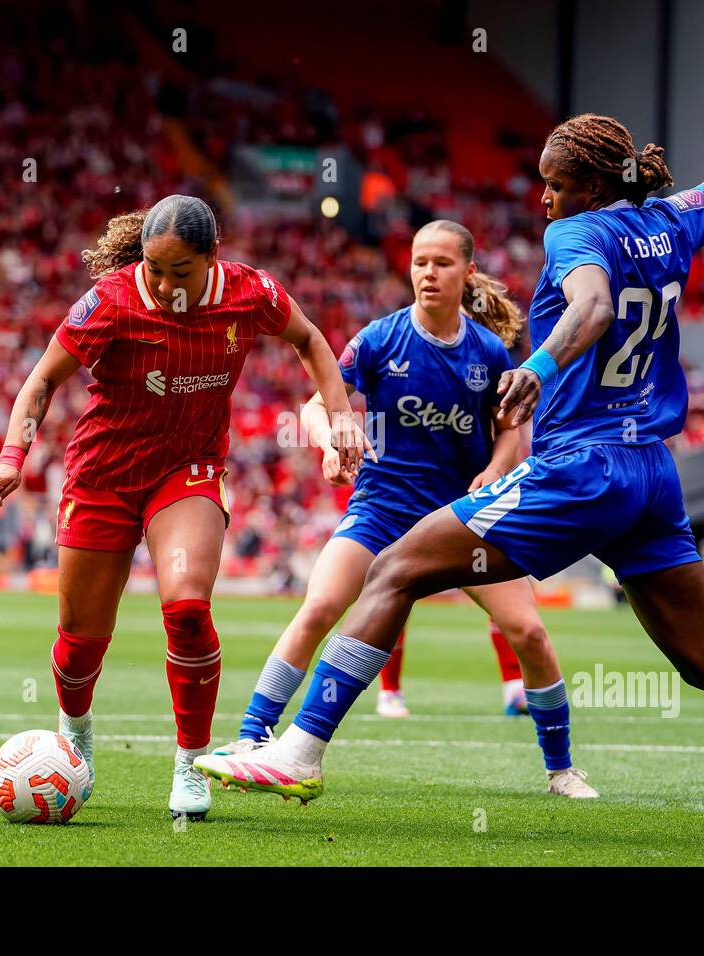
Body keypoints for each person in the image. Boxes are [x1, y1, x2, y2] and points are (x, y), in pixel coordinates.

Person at [196, 97, 704, 849]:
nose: (543, 196)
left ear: (588, 185)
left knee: (393, 569)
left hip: (584, 467)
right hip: (653, 472)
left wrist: (538, 365)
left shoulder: (576, 232)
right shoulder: (674, 218)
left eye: (554, 183)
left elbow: (589, 307)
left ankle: (298, 752)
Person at [0, 195, 369, 821]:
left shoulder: (251, 292)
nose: (163, 285)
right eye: (154, 270)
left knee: (187, 608)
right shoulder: (110, 300)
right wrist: (10, 456)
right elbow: (43, 379)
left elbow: (310, 338)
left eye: (179, 271)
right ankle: (75, 735)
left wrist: (341, 414)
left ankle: (191, 761)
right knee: (81, 645)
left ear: (212, 257)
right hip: (103, 475)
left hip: (187, 471)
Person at [211, 220, 595, 799]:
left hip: (461, 518)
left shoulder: (489, 353)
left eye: (442, 263)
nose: (427, 274)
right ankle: (250, 738)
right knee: (319, 607)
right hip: (382, 510)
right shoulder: (378, 341)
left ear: (467, 272)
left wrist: (495, 470)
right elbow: (317, 406)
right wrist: (330, 440)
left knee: (529, 632)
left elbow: (513, 431)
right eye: (419, 262)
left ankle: (561, 770)